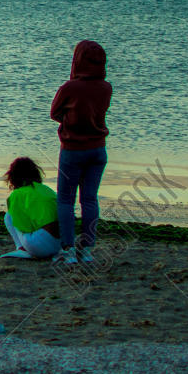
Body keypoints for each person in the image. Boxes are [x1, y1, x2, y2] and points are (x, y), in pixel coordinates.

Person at [50, 39, 111, 264]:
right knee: (89, 199)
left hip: (73, 149)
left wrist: (69, 120)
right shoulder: (106, 87)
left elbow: (54, 112)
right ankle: (86, 250)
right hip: (98, 149)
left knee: (65, 200)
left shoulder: (69, 88)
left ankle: (67, 250)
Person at [0, 156, 61, 259]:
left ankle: (21, 248)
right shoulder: (47, 189)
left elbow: (23, 226)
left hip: (40, 246)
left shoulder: (17, 194)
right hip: (60, 245)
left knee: (9, 216)